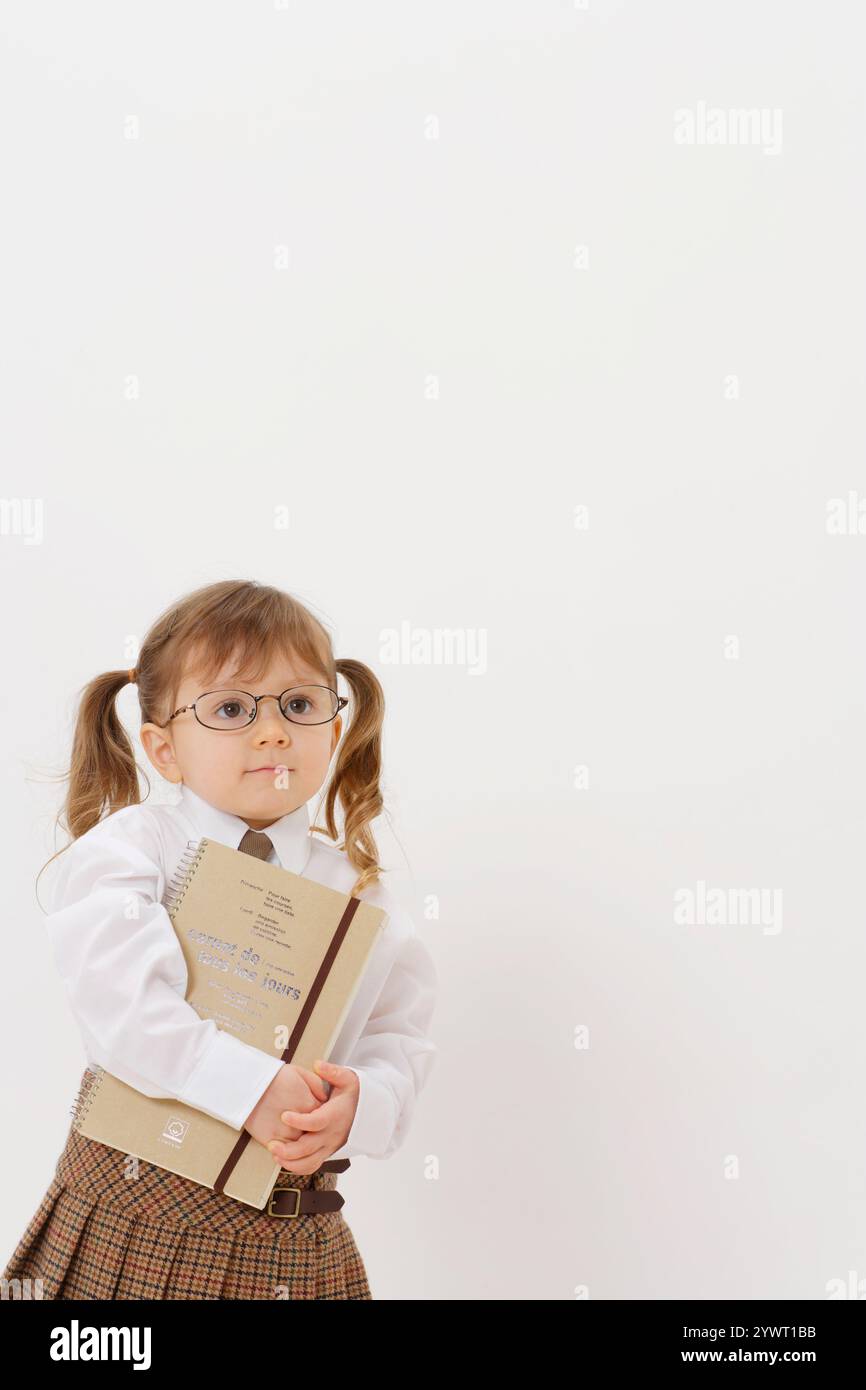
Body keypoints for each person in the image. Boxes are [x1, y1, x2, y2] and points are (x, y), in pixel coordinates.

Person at [1, 579, 438, 1300]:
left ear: (333, 729)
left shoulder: (361, 893)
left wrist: (359, 1102)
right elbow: (127, 1013)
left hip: (296, 1239)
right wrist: (255, 1088)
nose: (272, 732)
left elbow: (400, 1043)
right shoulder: (134, 850)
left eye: (298, 706)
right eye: (232, 709)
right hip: (134, 1221)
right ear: (163, 749)